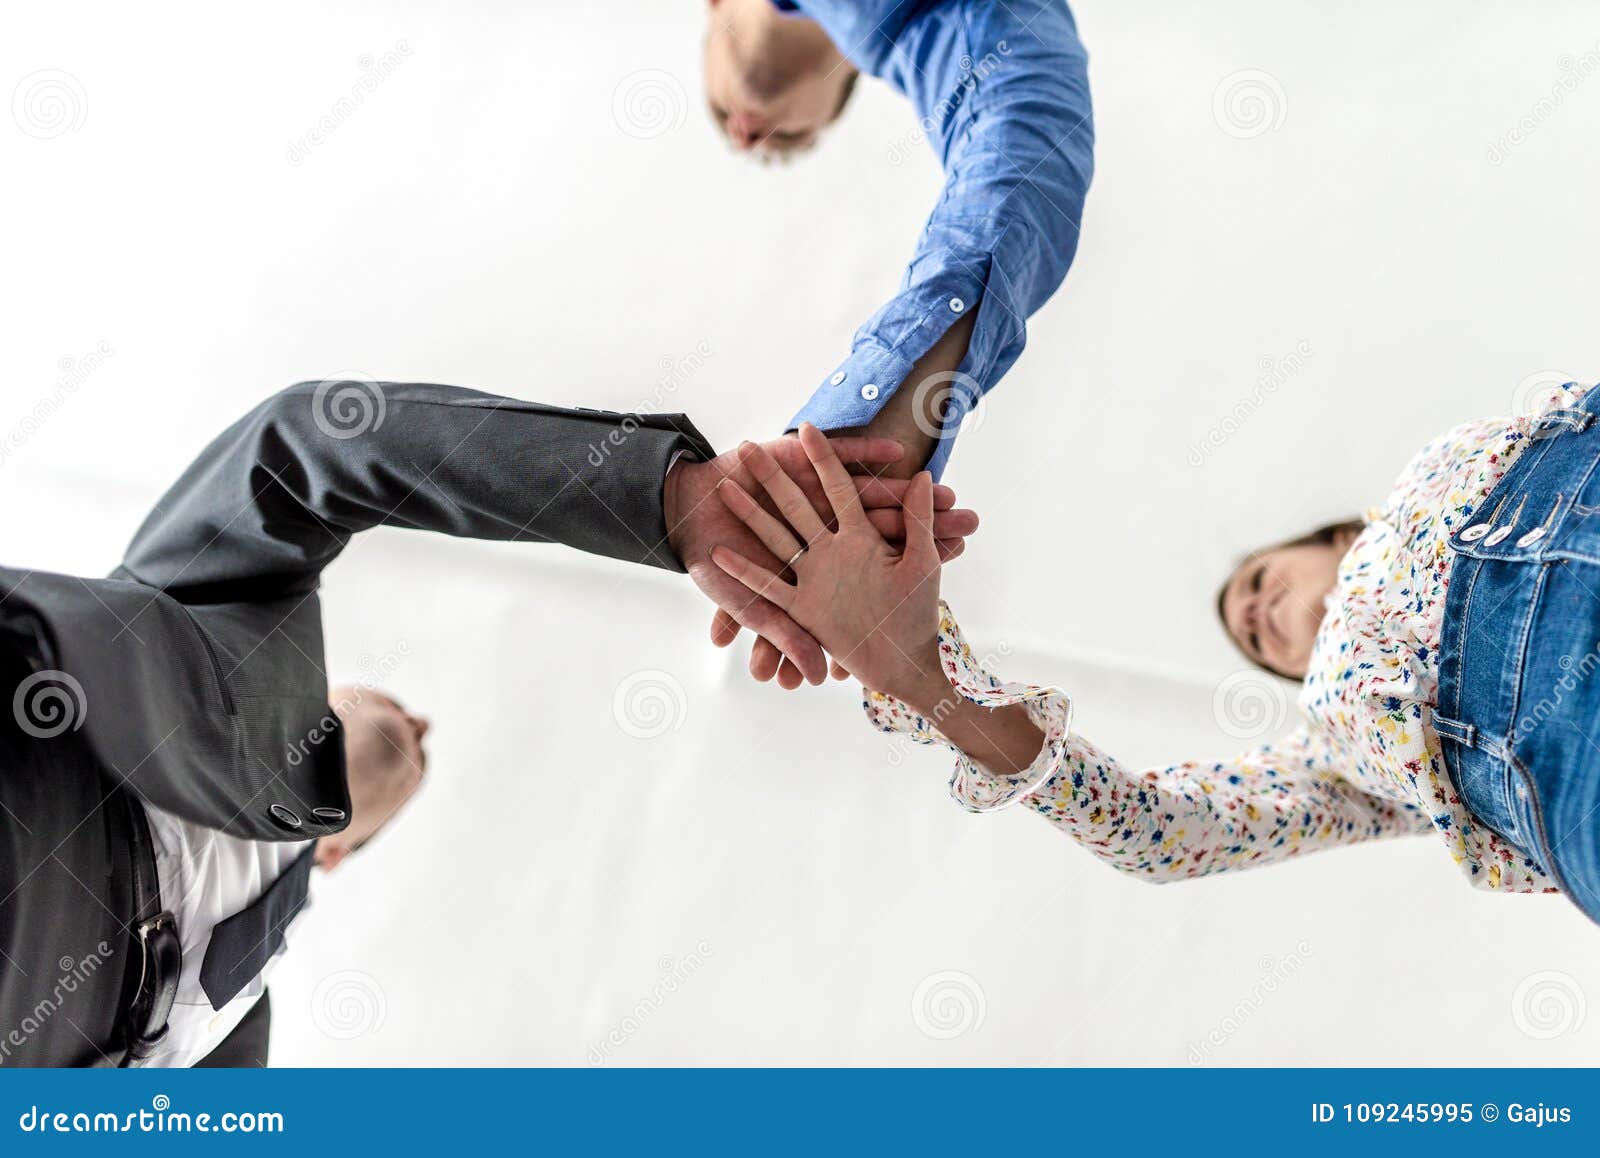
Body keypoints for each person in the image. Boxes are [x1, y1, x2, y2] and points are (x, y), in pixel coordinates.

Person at [0, 380, 976, 1066]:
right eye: (392, 703)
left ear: (338, 852)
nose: (419, 725)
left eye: (412, 742)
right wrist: (670, 501)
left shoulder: (230, 1046)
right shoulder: (206, 610)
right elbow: (312, 444)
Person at [709, 388, 1600, 926]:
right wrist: (919, 675)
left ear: (1337, 537)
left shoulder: (1420, 485)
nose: (1251, 612)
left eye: (1259, 579)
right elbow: (1158, 831)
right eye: (1255, 642)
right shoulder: (1335, 756)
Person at [699, 0, 1095, 686]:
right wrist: (880, 433)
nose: (747, 135)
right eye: (796, 137)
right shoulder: (934, 28)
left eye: (719, 110)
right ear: (849, 52)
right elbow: (1027, 134)